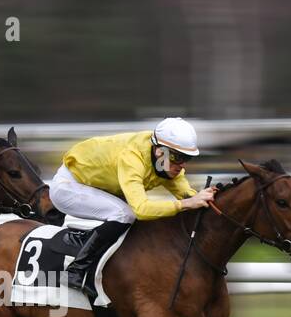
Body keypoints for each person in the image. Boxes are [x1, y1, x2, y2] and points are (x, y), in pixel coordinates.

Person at [47, 117, 216, 301]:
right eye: (178, 157)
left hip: (94, 187)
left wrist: (205, 198)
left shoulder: (166, 163)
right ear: (160, 152)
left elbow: (188, 196)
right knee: (124, 214)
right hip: (68, 187)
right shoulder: (133, 158)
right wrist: (185, 204)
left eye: (187, 158)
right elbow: (141, 209)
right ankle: (76, 270)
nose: (182, 165)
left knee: (125, 214)